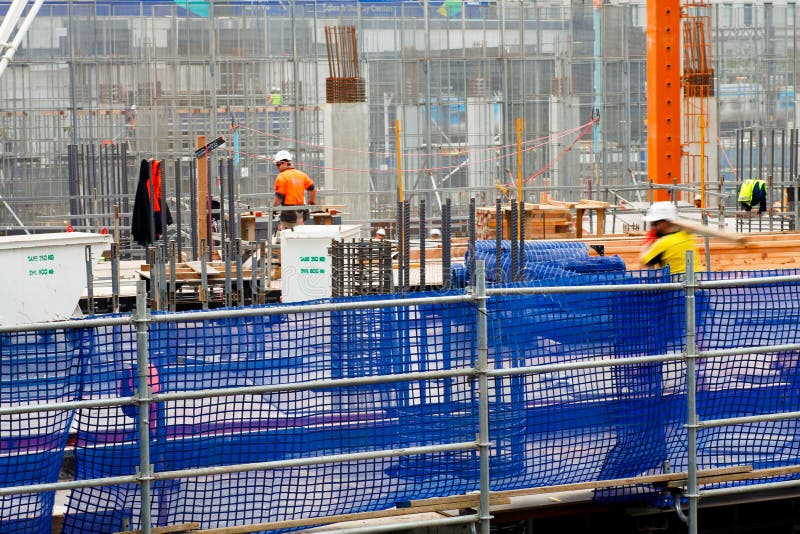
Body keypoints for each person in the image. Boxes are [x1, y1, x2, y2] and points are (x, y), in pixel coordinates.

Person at [639, 201, 700, 274]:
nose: (653, 227)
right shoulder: (687, 235)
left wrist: (649, 240)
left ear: (665, 223)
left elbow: (643, 261)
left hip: (675, 283)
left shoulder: (663, 243)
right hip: (697, 280)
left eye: (655, 223)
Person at [273, 150, 316, 230]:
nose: (277, 167)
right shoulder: (301, 175)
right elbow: (313, 190)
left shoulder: (282, 177)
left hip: (288, 213)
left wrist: (273, 209)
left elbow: (278, 198)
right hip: (300, 212)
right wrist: (312, 201)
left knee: (284, 236)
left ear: (284, 163)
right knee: (299, 234)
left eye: (278, 164)